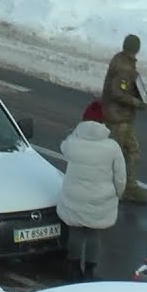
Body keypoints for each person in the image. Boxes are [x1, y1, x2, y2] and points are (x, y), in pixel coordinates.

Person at [57, 99, 126, 281]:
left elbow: (63, 147)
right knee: (94, 235)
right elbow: (120, 175)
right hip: (101, 199)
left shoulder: (74, 142)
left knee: (76, 233)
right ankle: (89, 270)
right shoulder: (112, 147)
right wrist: (119, 193)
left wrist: (74, 132)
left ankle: (73, 268)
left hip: (75, 198)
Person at [101, 34, 147, 204]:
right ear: (136, 48)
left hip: (121, 117)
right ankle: (121, 188)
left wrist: (142, 95)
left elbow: (127, 86)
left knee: (128, 151)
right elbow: (117, 92)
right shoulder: (124, 67)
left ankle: (126, 186)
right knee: (123, 153)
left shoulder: (123, 61)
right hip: (118, 118)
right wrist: (138, 102)